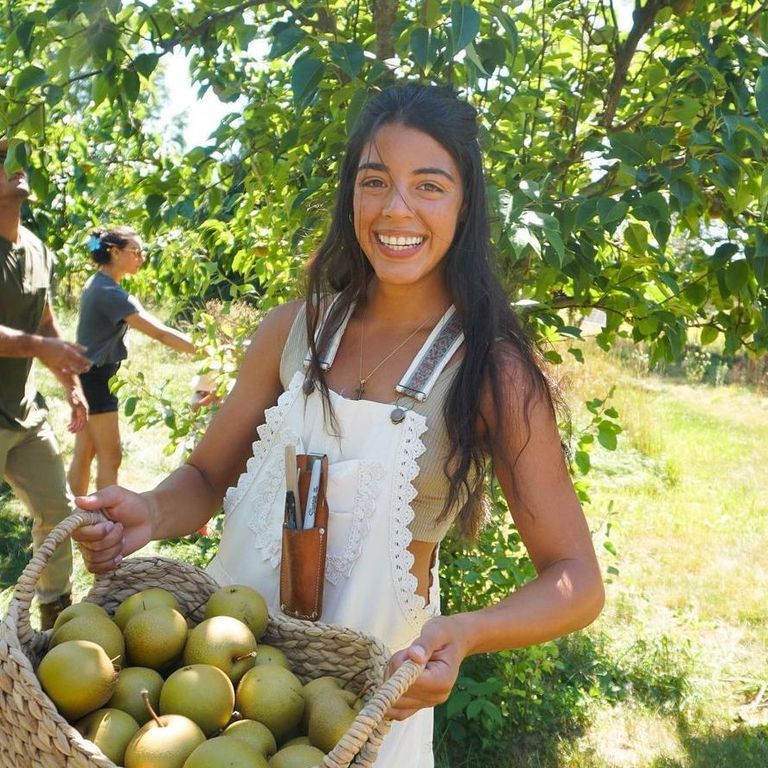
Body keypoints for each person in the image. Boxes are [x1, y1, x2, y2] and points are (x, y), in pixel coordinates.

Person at [73, 84, 604, 765]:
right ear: (351, 193)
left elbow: (576, 579)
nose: (396, 208)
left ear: (467, 203)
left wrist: (467, 632)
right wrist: (147, 509)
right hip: (218, 688)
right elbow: (207, 476)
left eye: (430, 185)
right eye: (374, 181)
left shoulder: (490, 371)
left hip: (366, 706)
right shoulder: (290, 333)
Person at [0, 138, 91, 629]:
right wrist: (42, 349)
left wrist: (68, 381)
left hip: (23, 412)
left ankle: (56, 619)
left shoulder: (36, 247)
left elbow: (46, 322)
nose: (14, 165)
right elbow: (39, 341)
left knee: (59, 513)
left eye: (15, 156)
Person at [67, 226, 210, 497]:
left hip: (87, 375)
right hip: (96, 379)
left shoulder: (99, 283)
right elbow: (160, 333)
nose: (141, 257)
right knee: (111, 456)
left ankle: (73, 523)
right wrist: (205, 350)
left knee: (84, 453)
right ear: (114, 252)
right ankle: (103, 523)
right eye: (136, 251)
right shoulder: (109, 292)